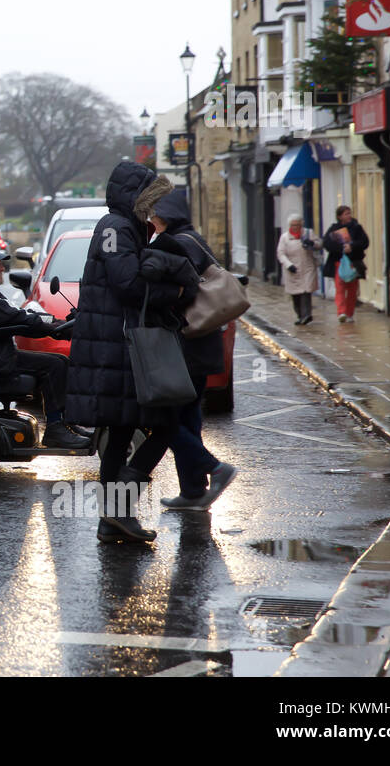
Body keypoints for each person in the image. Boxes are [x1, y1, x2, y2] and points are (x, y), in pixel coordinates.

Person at [64, 164, 226, 543]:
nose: (153, 210)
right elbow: (128, 284)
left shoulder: (123, 226)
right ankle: (125, 507)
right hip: (118, 346)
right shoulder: (116, 228)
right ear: (136, 198)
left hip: (120, 344)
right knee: (159, 419)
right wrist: (178, 292)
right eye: (149, 200)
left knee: (121, 434)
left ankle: (114, 519)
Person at [128, 191, 238, 511]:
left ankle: (215, 468)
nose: (151, 221)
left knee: (164, 420)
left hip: (187, 345)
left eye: (154, 216)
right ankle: (192, 491)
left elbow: (172, 291)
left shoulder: (174, 244)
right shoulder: (194, 238)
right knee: (188, 419)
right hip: (203, 343)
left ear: (165, 216)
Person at [0, 243, 90, 449]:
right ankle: (55, 429)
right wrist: (54, 326)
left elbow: (16, 317)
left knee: (59, 361)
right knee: (55, 365)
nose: (2, 268)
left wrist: (55, 324)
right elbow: (14, 317)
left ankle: (63, 423)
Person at [323, 205, 369, 323]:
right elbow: (327, 243)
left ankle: (349, 313)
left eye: (349, 213)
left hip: (353, 262)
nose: (349, 216)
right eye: (346, 214)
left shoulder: (357, 227)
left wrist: (352, 246)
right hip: (339, 262)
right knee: (340, 287)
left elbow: (364, 242)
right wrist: (342, 248)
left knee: (352, 289)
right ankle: (341, 312)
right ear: (339, 216)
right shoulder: (334, 229)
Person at [277, 213, 318, 325]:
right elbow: (281, 253)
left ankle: (307, 315)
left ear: (301, 224)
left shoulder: (308, 233)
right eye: (293, 225)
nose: (295, 227)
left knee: (306, 291)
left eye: (297, 225)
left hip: (307, 267)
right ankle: (300, 314)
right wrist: (288, 265)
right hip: (293, 269)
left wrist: (313, 243)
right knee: (296, 294)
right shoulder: (284, 238)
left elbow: (319, 244)